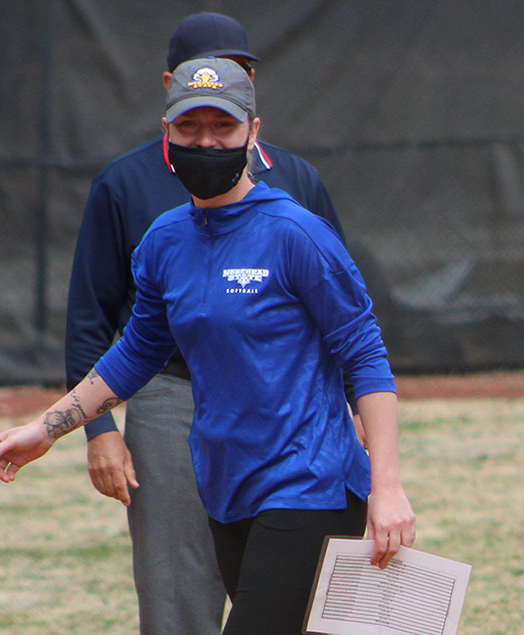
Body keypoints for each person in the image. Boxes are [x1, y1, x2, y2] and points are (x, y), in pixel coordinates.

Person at [0, 57, 416, 634]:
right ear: (167, 135)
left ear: (253, 134)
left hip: (310, 485)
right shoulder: (165, 240)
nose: (204, 143)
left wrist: (387, 488)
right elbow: (137, 352)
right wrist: (48, 429)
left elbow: (365, 354)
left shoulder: (297, 234)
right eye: (189, 128)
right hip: (226, 486)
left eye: (223, 128)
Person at [63, 13, 352, 634]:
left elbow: (349, 326)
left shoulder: (293, 186)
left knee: (292, 599)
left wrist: (356, 426)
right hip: (171, 395)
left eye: (241, 71)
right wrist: (94, 431)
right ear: (171, 88)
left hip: (282, 404)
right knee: (178, 589)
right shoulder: (129, 186)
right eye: (192, 110)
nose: (225, 83)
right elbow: (102, 326)